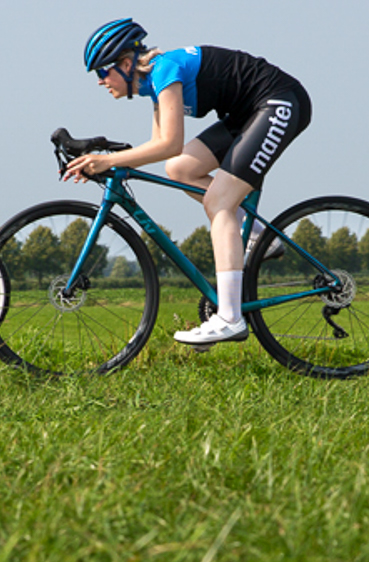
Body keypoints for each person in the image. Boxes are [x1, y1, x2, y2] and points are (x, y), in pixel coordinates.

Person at [69, 18, 311, 348]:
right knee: (180, 169)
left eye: (102, 72)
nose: (100, 82)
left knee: (219, 202)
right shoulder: (154, 85)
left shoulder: (165, 71)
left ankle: (230, 318)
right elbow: (161, 147)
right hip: (247, 114)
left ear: (126, 65)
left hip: (279, 101)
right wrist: (104, 159)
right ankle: (259, 239)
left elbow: (168, 142)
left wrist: (107, 161)